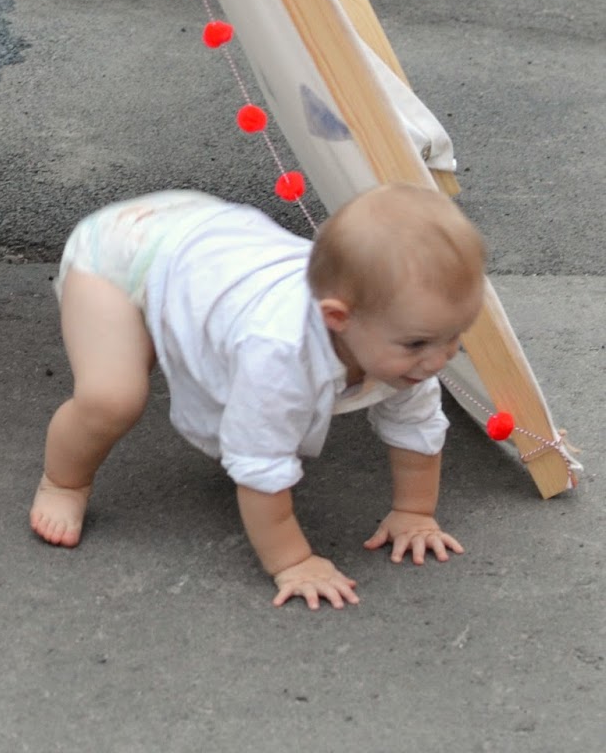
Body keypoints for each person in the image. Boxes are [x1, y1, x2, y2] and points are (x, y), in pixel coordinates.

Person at [29, 183, 486, 611]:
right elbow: (259, 465)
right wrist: (293, 561)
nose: (438, 359)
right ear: (337, 318)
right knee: (113, 397)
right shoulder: (280, 352)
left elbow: (416, 425)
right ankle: (64, 482)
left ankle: (174, 322)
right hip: (124, 251)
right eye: (418, 344)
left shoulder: (405, 332)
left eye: (455, 336)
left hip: (210, 245)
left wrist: (414, 512)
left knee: (236, 385)